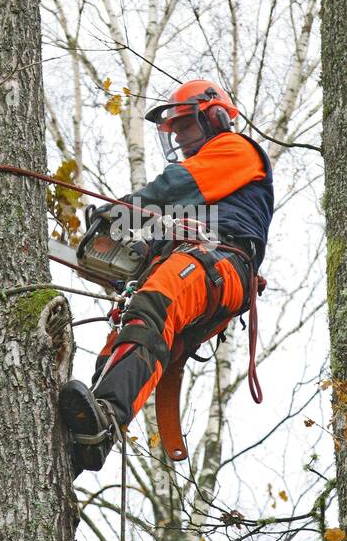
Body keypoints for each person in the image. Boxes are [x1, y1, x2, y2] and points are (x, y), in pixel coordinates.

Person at [58, 79, 274, 476]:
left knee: (152, 303)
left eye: (185, 126)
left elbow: (172, 188)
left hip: (220, 260)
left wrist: (120, 213)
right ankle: (89, 433)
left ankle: (108, 416)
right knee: (132, 326)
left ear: (215, 117)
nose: (180, 138)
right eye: (173, 131)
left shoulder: (235, 150)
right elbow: (163, 226)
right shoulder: (194, 199)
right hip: (189, 265)